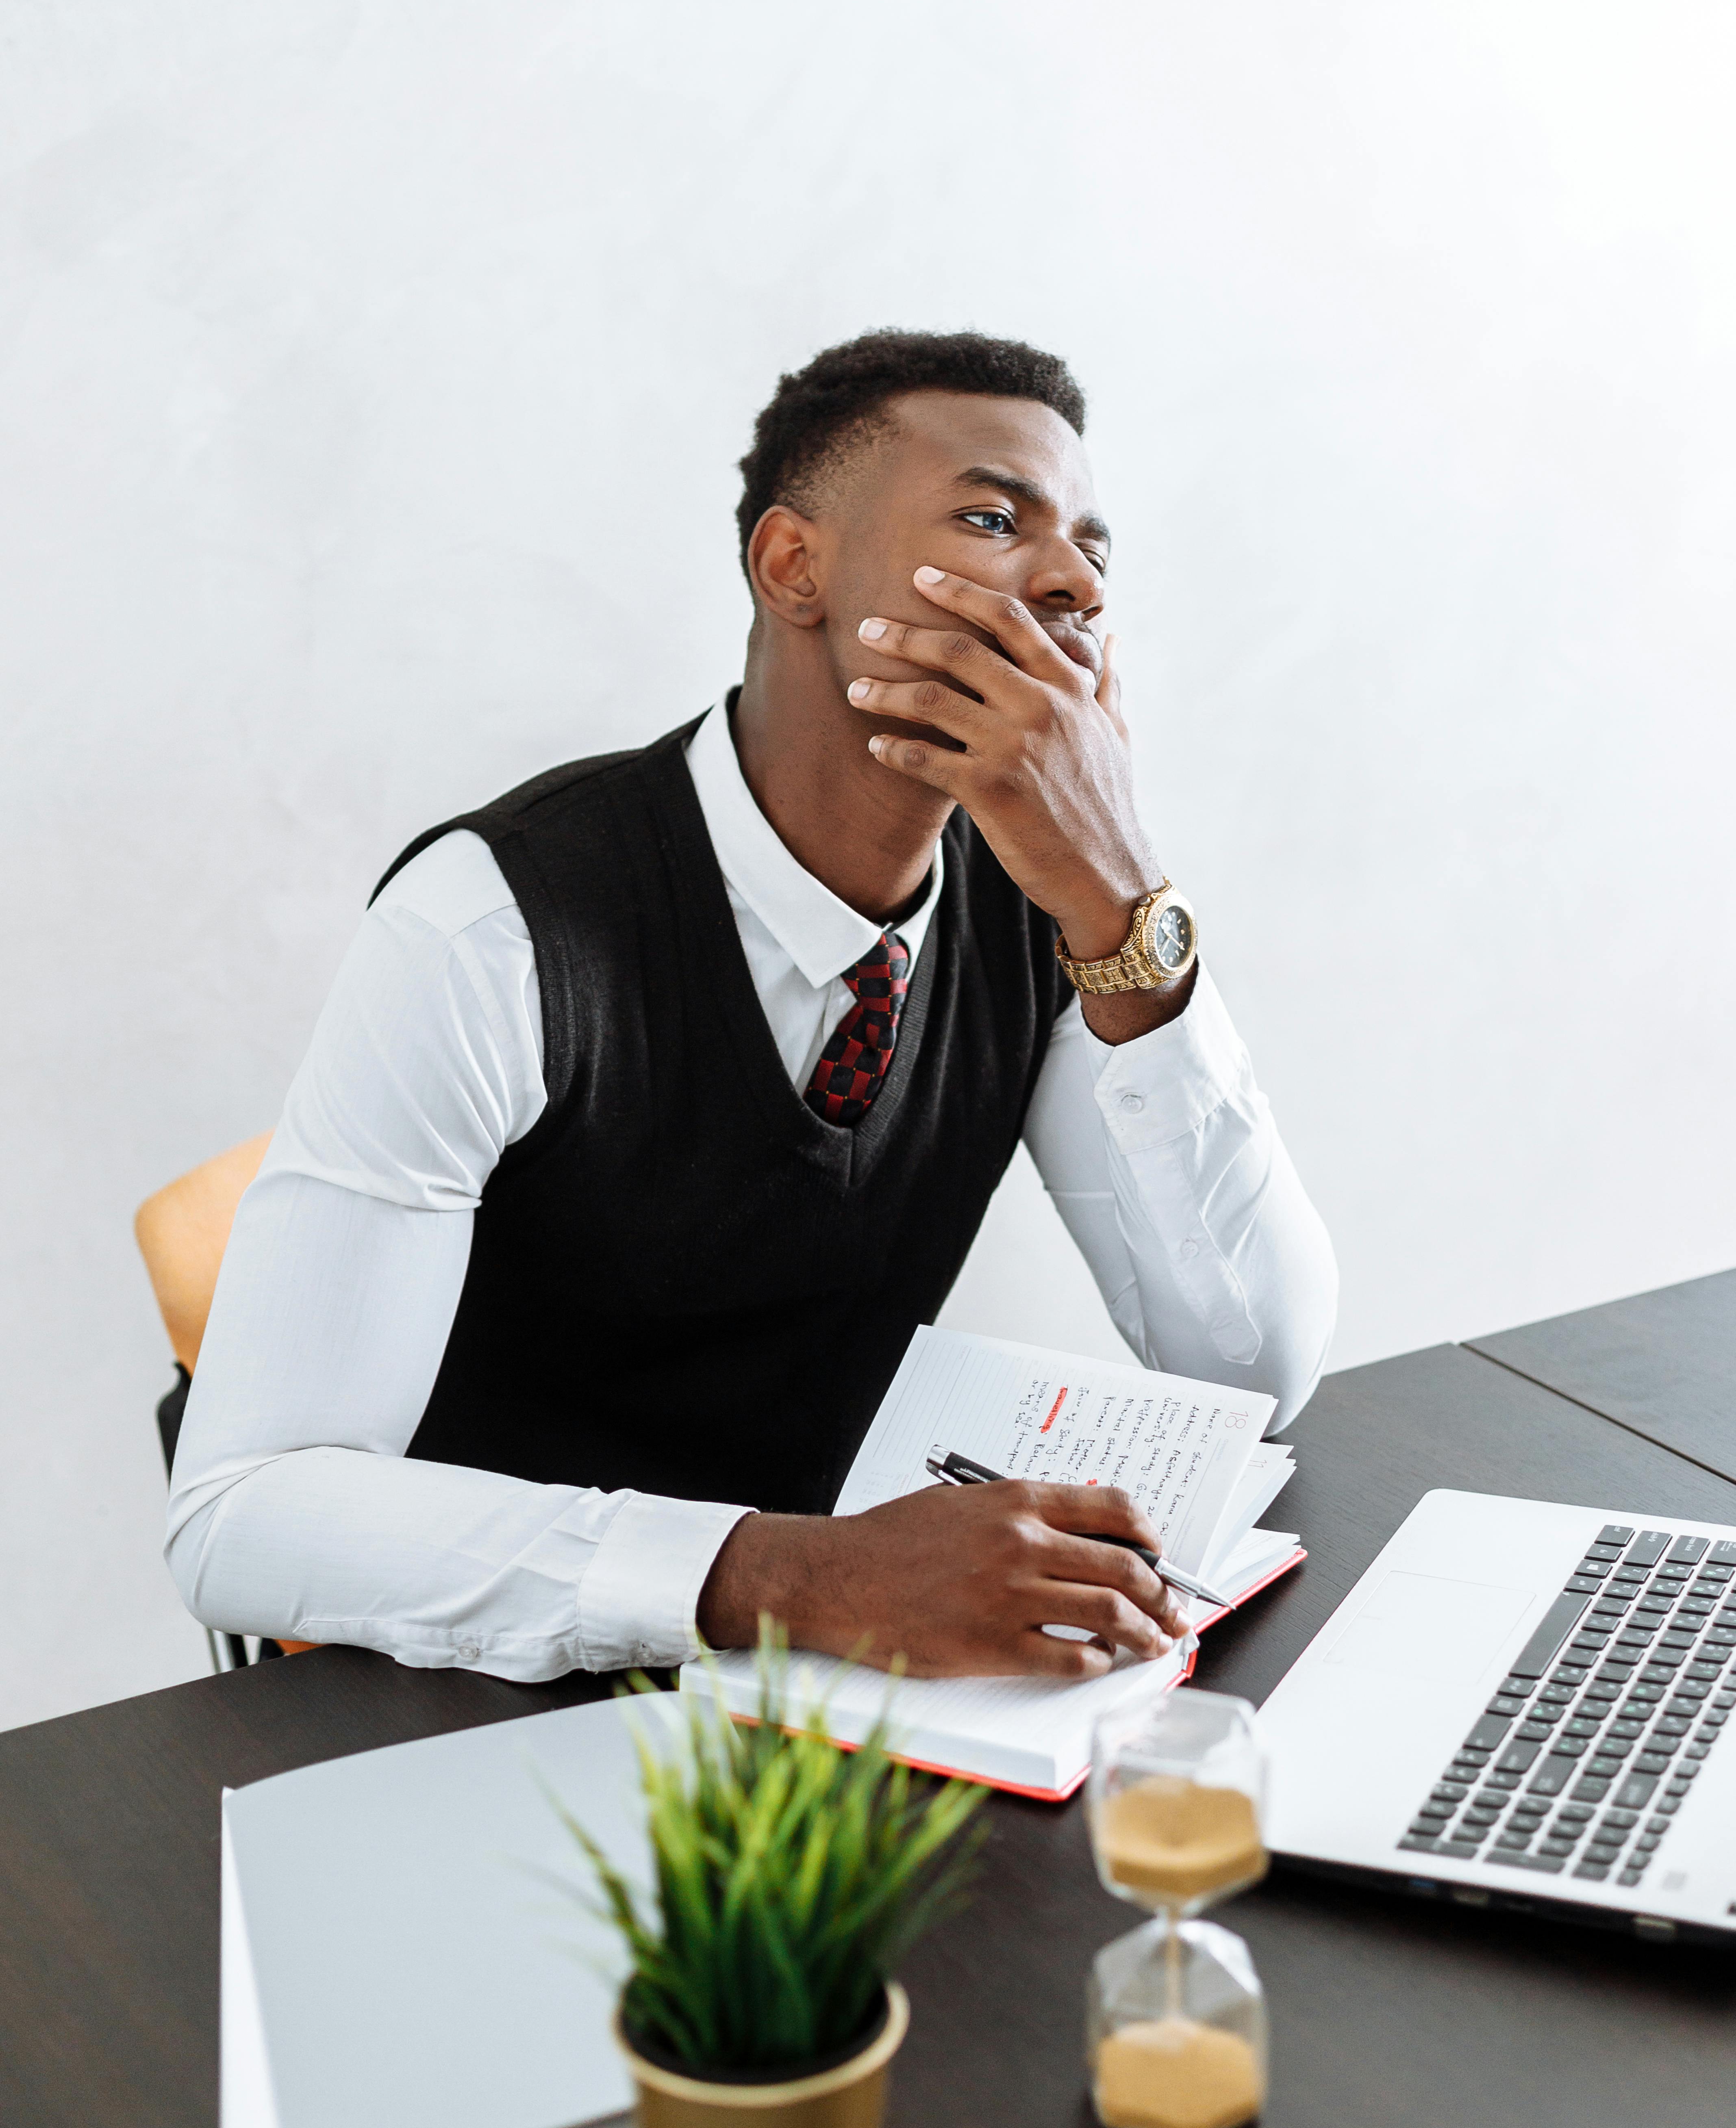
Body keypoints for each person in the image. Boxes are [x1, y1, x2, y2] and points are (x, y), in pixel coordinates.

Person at [165, 330, 1336, 1686]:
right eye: (992, 518)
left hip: (834, 1683)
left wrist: (1126, 905)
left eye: (1091, 551)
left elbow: (1248, 1359)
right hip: (484, 1685)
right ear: (796, 568)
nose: (1073, 581)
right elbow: (244, 1513)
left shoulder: (1049, 905)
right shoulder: (492, 927)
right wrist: (795, 1575)